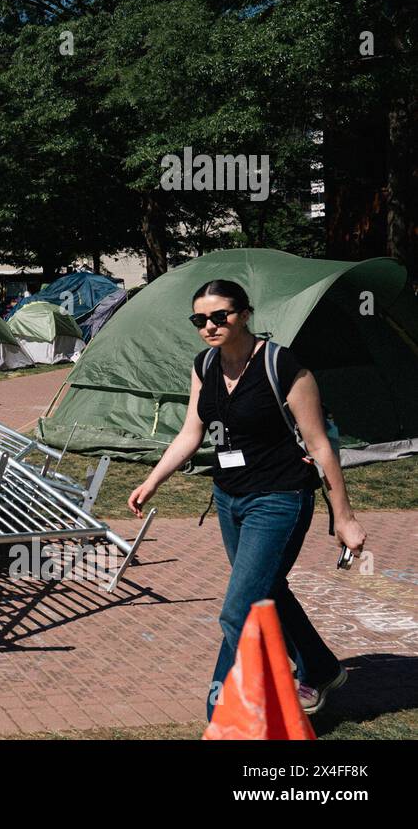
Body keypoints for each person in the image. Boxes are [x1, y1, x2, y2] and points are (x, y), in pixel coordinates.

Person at [128, 279, 366, 720]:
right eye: (200, 319)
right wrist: (153, 480)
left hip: (279, 499)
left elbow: (320, 446)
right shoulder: (204, 365)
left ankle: (223, 710)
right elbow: (190, 432)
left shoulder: (283, 366)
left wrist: (345, 518)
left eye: (221, 316)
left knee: (238, 610)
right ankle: (321, 667)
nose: (210, 326)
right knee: (267, 589)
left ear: (245, 314)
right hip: (228, 499)